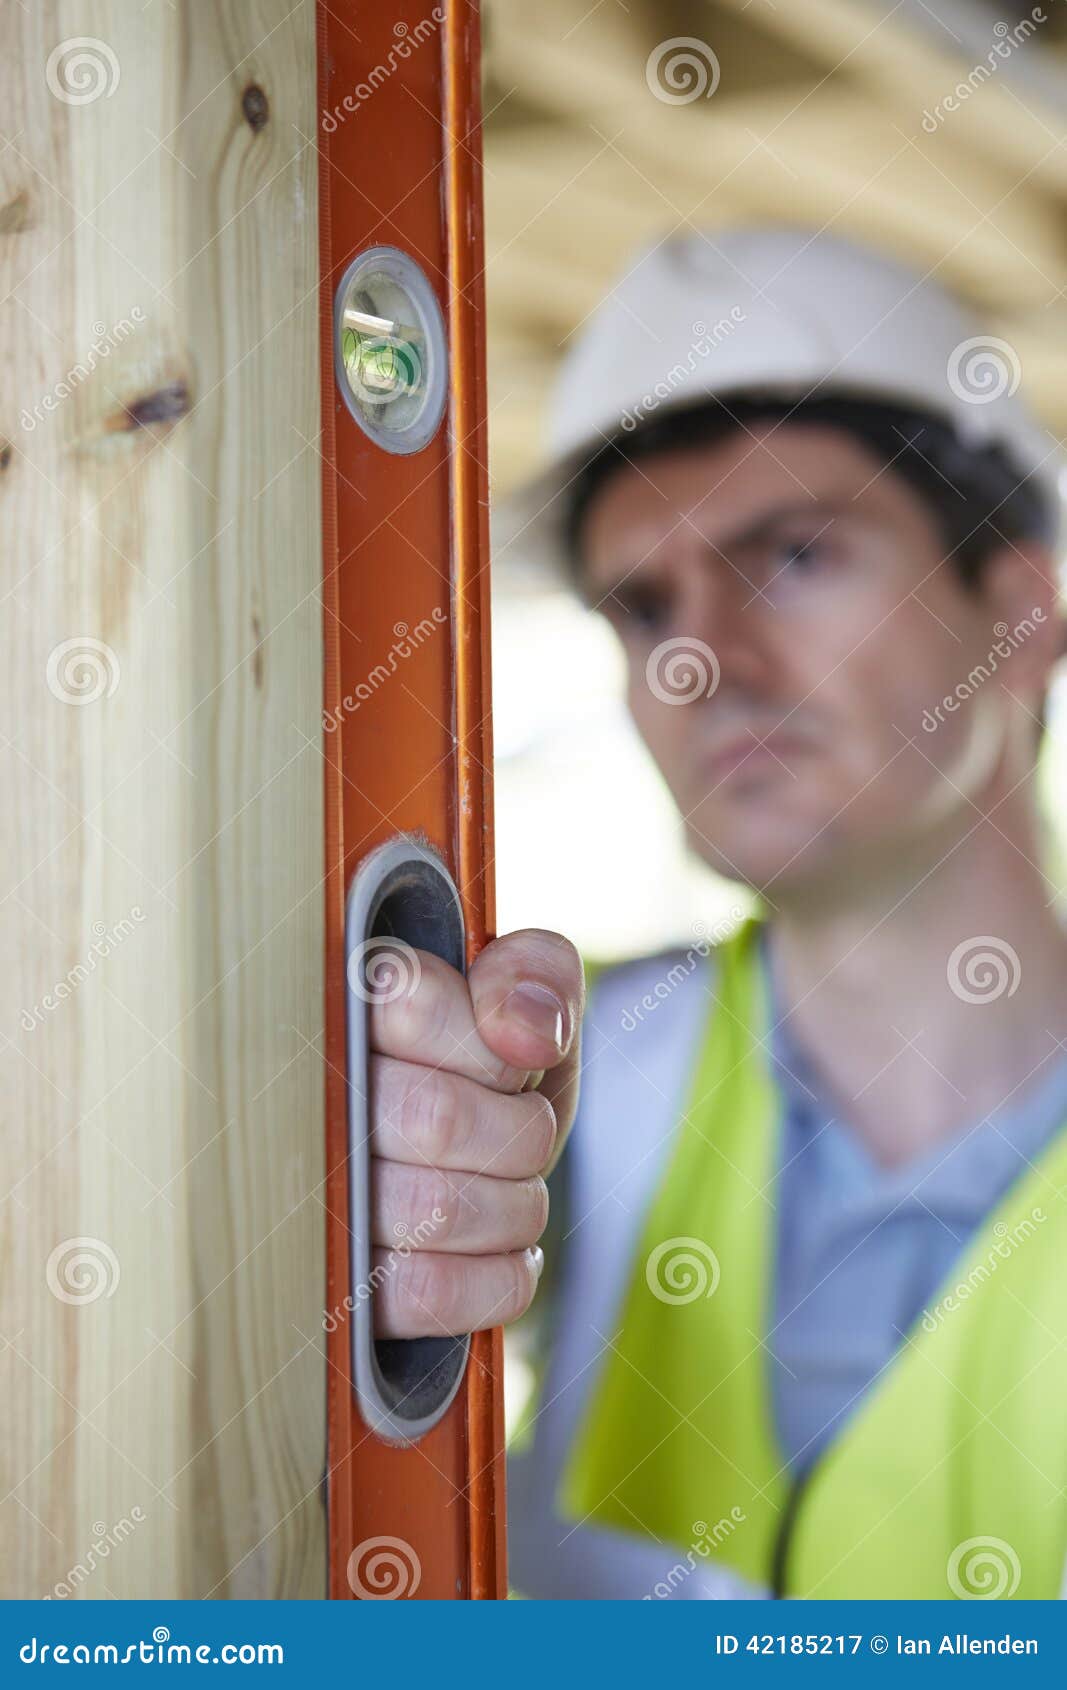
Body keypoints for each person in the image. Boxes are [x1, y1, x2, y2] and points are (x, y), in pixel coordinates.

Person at [365, 227, 1067, 1599]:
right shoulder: (543, 1094)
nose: (700, 659)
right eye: (643, 605)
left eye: (795, 557)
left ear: (1023, 607)